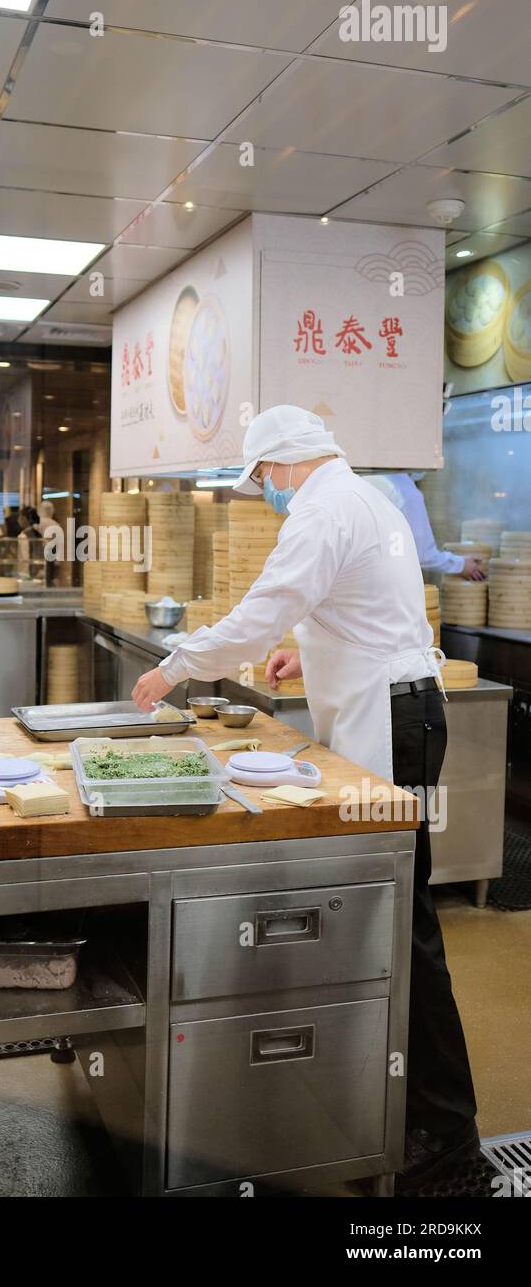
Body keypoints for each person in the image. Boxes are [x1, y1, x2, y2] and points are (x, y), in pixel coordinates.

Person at [132, 404, 478, 1191]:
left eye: (262, 479)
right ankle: (393, 1101)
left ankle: (447, 1136)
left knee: (408, 923)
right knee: (397, 917)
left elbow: (263, 610)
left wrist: (175, 666)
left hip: (394, 723)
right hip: (398, 708)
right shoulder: (361, 499)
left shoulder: (323, 509)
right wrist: (303, 655)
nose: (264, 493)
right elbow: (358, 611)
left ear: (285, 462)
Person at [365, 472, 485, 580]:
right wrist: (460, 564)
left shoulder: (367, 477)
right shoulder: (405, 490)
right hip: (386, 580)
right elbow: (423, 554)